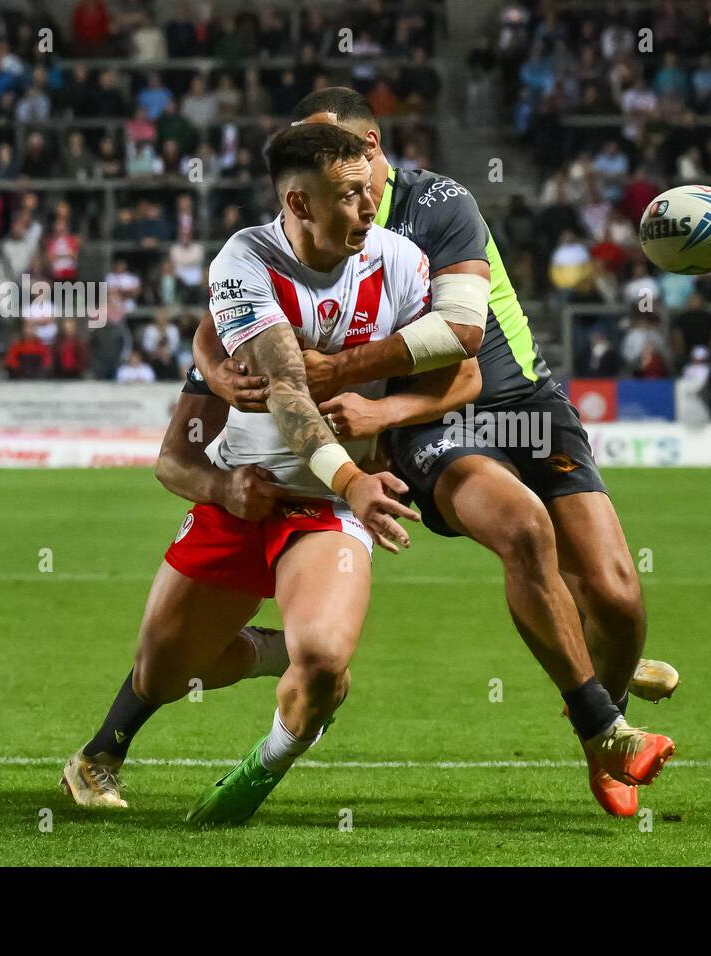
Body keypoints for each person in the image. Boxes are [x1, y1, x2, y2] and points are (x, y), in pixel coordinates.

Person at [191, 88, 677, 817]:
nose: (334, 173)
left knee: (616, 595)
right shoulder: (304, 218)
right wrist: (216, 362)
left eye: (344, 156)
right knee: (523, 530)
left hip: (519, 403)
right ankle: (604, 732)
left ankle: (599, 699)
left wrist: (351, 381)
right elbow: (227, 304)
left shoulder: (438, 204)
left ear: (372, 146)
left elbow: (463, 336)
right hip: (428, 422)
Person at [61, 125, 458, 823]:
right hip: (243, 502)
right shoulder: (244, 262)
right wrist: (224, 487)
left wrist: (382, 412)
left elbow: (467, 371)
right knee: (164, 673)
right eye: (348, 195)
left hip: (325, 512)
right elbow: (285, 391)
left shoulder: (402, 263)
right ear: (300, 203)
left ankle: (258, 769)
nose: (369, 207)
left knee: (329, 663)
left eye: (371, 190)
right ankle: (112, 745)